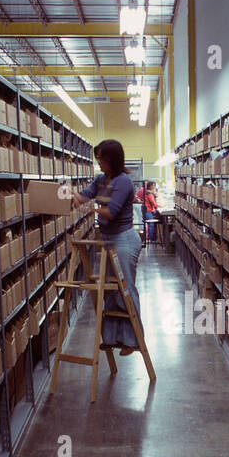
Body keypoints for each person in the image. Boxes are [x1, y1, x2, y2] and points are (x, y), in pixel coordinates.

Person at [72, 139, 143, 355]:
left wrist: (91, 208)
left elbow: (110, 212)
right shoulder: (101, 179)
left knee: (126, 290)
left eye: (102, 158)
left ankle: (133, 340)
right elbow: (83, 196)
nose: (99, 162)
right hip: (107, 239)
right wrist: (66, 194)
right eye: (97, 158)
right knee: (110, 291)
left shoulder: (123, 182)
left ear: (113, 158)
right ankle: (112, 338)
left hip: (124, 240)